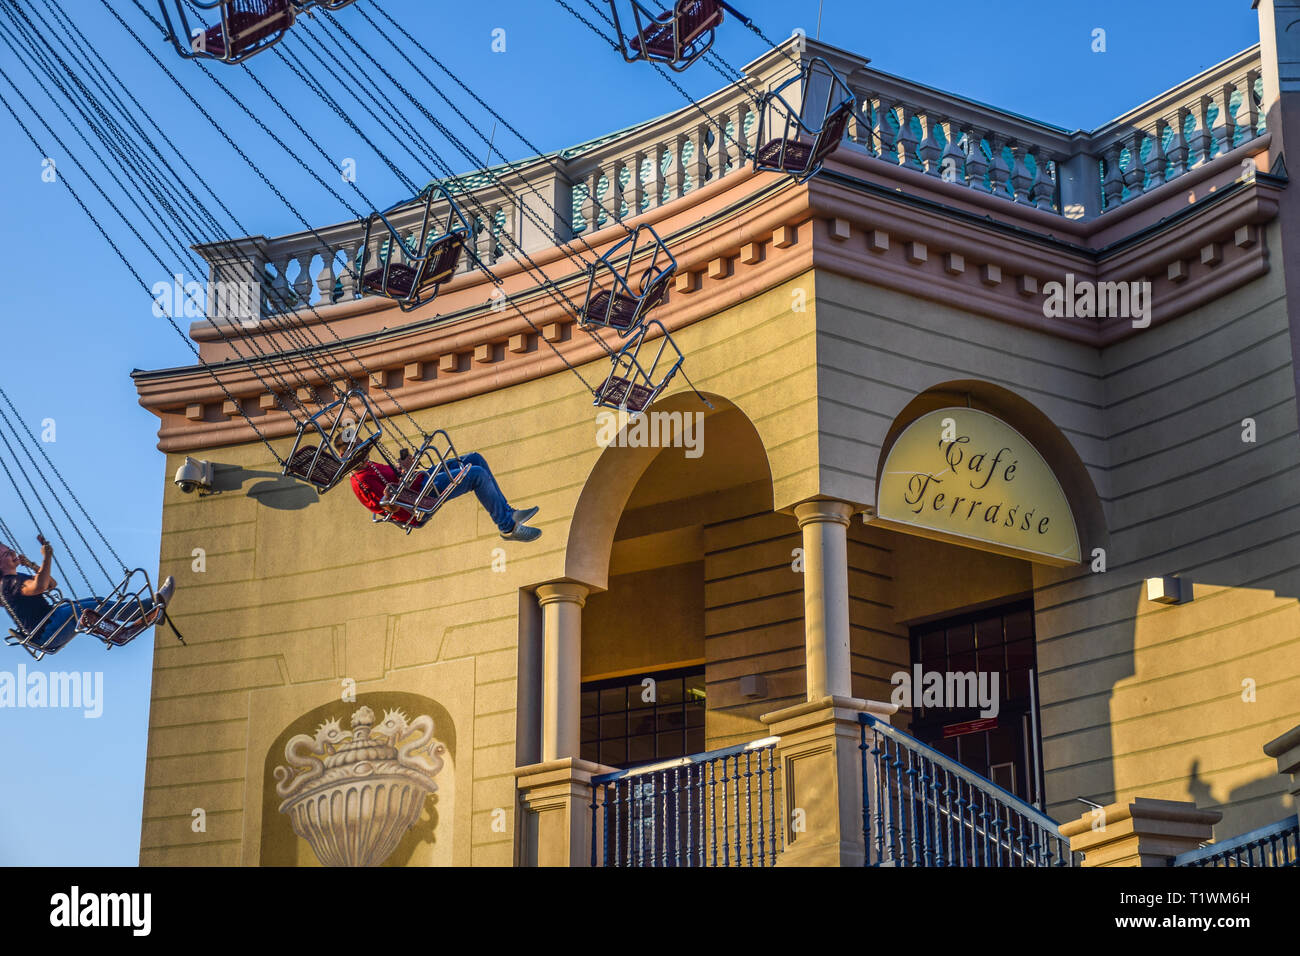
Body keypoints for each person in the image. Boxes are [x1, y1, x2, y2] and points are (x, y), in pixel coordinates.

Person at [0, 537, 175, 653]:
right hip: (48, 630)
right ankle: (135, 620)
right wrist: (47, 558)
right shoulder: (9, 584)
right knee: (86, 609)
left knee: (95, 602)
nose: (13, 553)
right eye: (7, 554)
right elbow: (40, 586)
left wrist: (31, 564)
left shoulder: (15, 578)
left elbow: (51, 584)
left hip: (51, 621)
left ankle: (148, 608)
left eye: (11, 550)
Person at [347, 444, 541, 541]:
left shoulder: (369, 465)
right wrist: (398, 487)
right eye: (359, 445)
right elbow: (388, 506)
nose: (365, 445)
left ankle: (508, 513)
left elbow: (394, 480)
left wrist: (403, 469)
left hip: (419, 481)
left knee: (475, 459)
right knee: (476, 474)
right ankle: (507, 527)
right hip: (419, 498)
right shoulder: (361, 481)